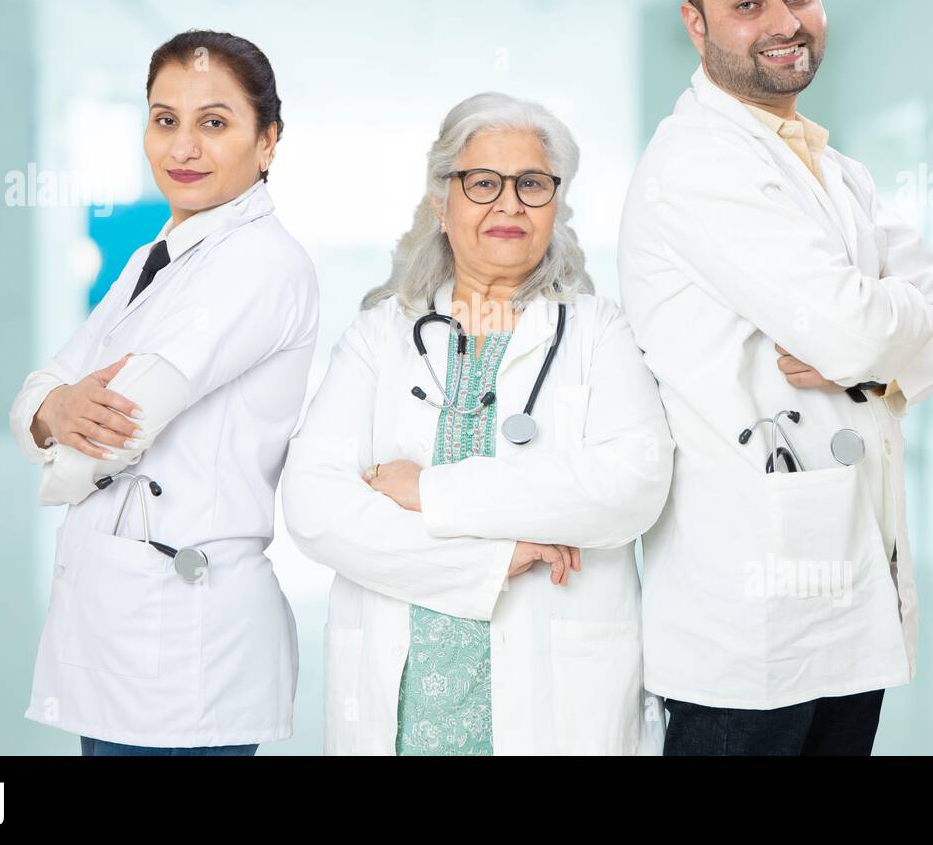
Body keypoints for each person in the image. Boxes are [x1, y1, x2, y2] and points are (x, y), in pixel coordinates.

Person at [618, 0, 933, 755]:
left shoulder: (835, 168)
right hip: (746, 627)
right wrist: (875, 339)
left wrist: (870, 348)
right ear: (696, 24)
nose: (784, 23)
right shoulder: (698, 161)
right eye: (748, 4)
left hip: (854, 608)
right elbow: (854, 332)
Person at [282, 91, 673, 755]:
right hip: (406, 704)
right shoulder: (380, 336)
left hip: (559, 698)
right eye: (483, 182)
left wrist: (431, 494)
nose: (510, 204)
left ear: (556, 204)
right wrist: (494, 558)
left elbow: (632, 485)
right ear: (443, 203)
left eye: (532, 184)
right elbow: (314, 503)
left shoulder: (597, 332)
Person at [8, 30, 319, 755]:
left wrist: (56, 432)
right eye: (164, 119)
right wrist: (53, 408)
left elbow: (110, 434)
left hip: (186, 645)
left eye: (214, 123)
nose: (182, 147)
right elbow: (38, 393)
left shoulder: (261, 263)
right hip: (122, 643)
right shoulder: (156, 256)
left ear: (268, 142)